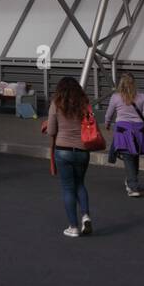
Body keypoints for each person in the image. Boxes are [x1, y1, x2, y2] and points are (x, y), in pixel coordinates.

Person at [45, 76, 94, 237]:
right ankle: (86, 216)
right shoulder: (84, 104)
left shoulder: (56, 104)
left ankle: (73, 227)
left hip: (63, 150)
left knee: (68, 188)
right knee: (80, 184)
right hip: (82, 150)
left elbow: (51, 131)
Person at [104, 72, 144, 197]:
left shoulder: (116, 97)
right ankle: (133, 181)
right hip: (138, 131)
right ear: (134, 83)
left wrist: (107, 123)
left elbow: (109, 113)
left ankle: (133, 186)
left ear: (121, 84)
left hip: (122, 131)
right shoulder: (141, 96)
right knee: (134, 156)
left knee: (128, 157)